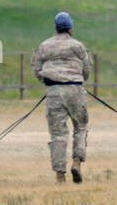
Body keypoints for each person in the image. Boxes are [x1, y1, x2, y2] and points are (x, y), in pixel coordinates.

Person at [31, 11, 92, 182]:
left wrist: (48, 81)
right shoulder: (78, 46)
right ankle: (77, 162)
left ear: (56, 28)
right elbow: (86, 70)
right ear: (71, 28)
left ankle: (60, 175)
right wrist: (78, 79)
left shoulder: (44, 46)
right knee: (80, 128)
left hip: (54, 91)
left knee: (58, 134)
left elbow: (36, 69)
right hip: (75, 90)